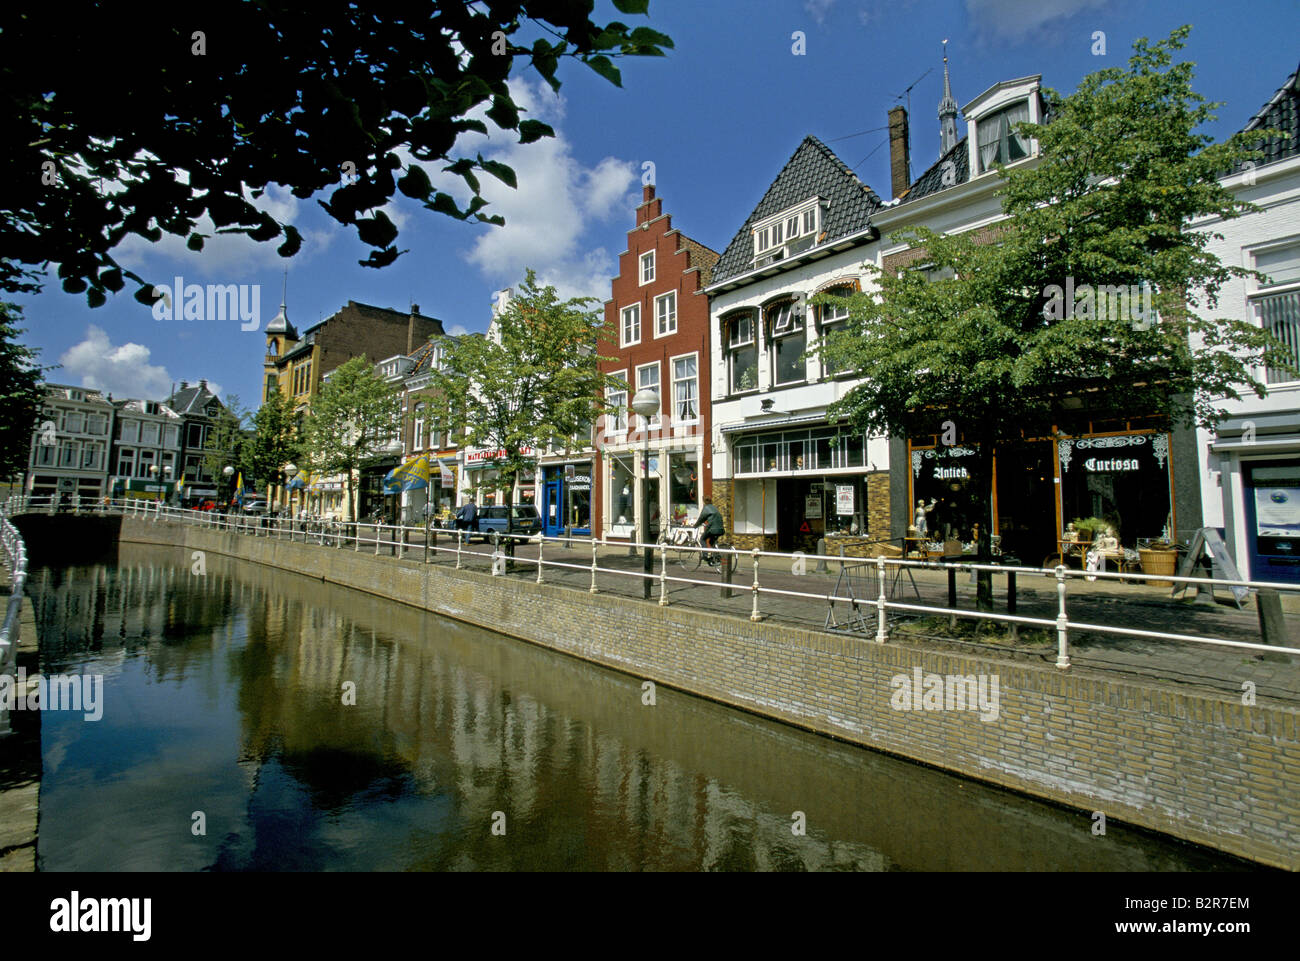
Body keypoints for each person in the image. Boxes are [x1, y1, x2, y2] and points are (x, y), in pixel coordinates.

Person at [693, 495, 726, 566]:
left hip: (712, 529)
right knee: (712, 542)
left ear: (704, 501)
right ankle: (716, 557)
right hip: (721, 529)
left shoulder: (706, 508)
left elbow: (701, 519)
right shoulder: (714, 508)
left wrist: (695, 526)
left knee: (702, 539)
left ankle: (705, 556)